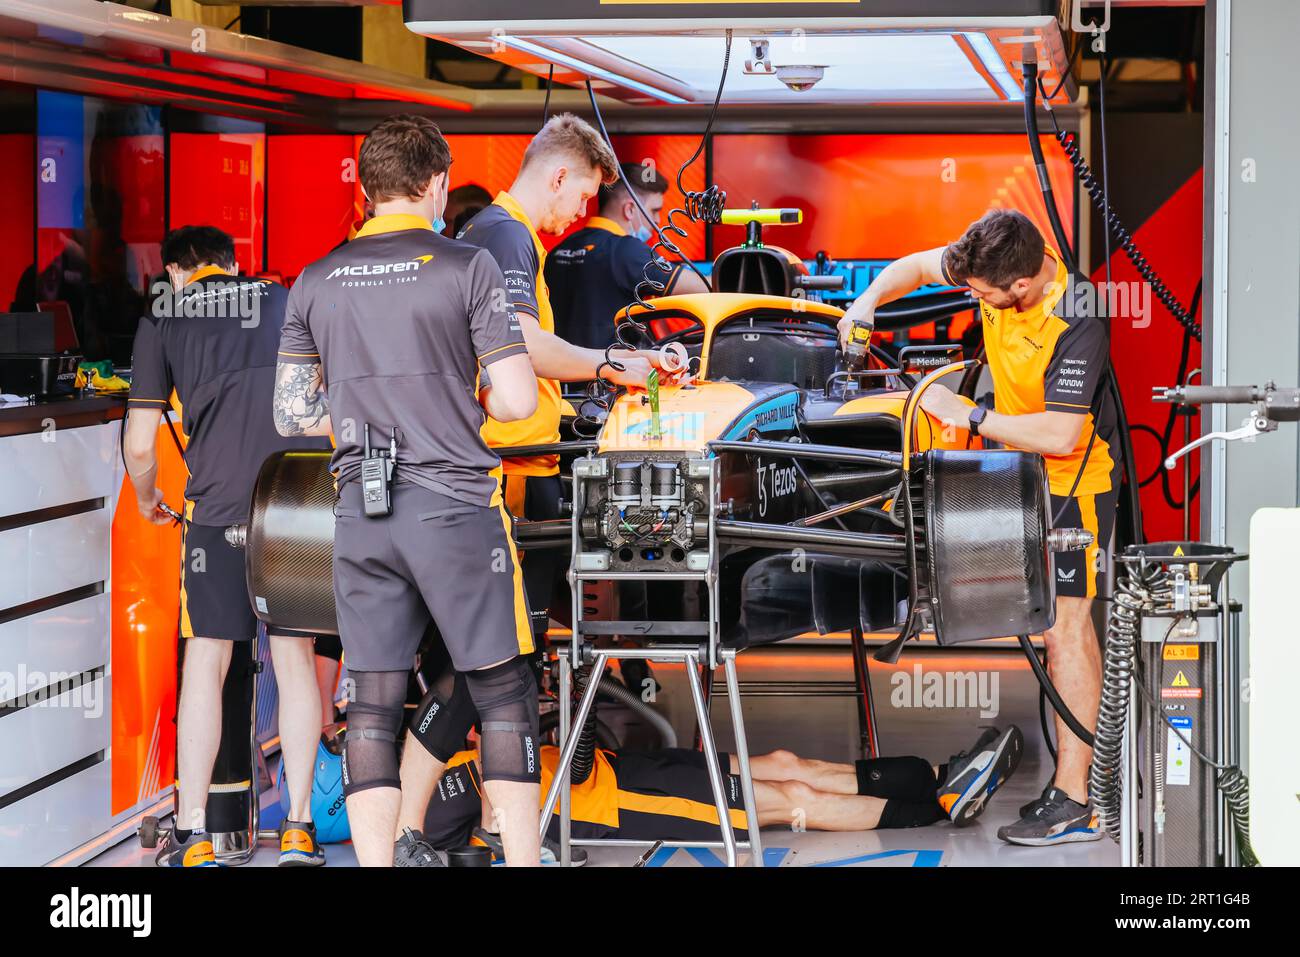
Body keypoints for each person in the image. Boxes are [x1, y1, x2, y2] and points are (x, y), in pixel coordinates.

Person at [272, 113, 544, 867]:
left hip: (362, 510)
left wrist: (362, 410)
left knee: (371, 708)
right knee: (501, 692)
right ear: (437, 184)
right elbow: (518, 401)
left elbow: (293, 412)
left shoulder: (316, 278)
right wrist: (467, 397)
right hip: (454, 507)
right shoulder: (466, 267)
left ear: (364, 187)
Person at [837, 208, 1117, 846]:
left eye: (983, 297)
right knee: (1046, 627)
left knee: (1066, 629)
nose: (973, 300)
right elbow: (912, 268)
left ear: (1021, 286)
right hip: (1019, 469)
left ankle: (1077, 801)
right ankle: (1074, 790)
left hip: (1076, 485)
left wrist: (968, 413)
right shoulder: (988, 258)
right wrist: (866, 303)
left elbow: (1061, 432)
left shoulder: (1079, 310)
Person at [123, 225, 330, 867]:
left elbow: (138, 440)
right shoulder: (279, 297)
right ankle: (297, 828)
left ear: (179, 272)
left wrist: (147, 496)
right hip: (299, 501)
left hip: (216, 513)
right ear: (232, 264)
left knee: (207, 662)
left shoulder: (164, 315)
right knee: (295, 659)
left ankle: (194, 836)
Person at [421, 723, 1024, 860]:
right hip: (616, 804)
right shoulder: (421, 815)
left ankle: (940, 777)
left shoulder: (421, 745)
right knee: (791, 797)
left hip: (614, 764)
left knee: (785, 763)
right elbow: (486, 836)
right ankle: (937, 809)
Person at [544, 161, 709, 351]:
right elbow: (704, 287)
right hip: (612, 373)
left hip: (559, 375)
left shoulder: (558, 250)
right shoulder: (626, 250)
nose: (657, 220)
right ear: (630, 209)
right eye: (654, 210)